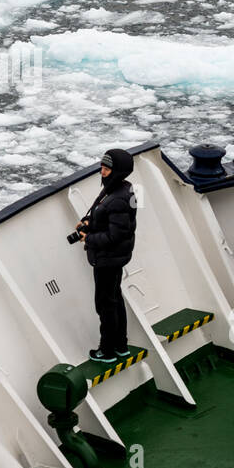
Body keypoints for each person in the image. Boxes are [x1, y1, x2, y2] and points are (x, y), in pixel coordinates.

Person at [78, 148, 137, 364]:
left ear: (118, 171)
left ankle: (107, 351)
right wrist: (87, 223)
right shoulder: (120, 189)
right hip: (114, 258)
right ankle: (120, 345)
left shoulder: (118, 198)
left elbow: (115, 235)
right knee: (114, 298)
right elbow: (107, 219)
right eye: (102, 167)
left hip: (108, 259)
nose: (102, 171)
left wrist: (88, 239)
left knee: (105, 304)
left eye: (107, 168)